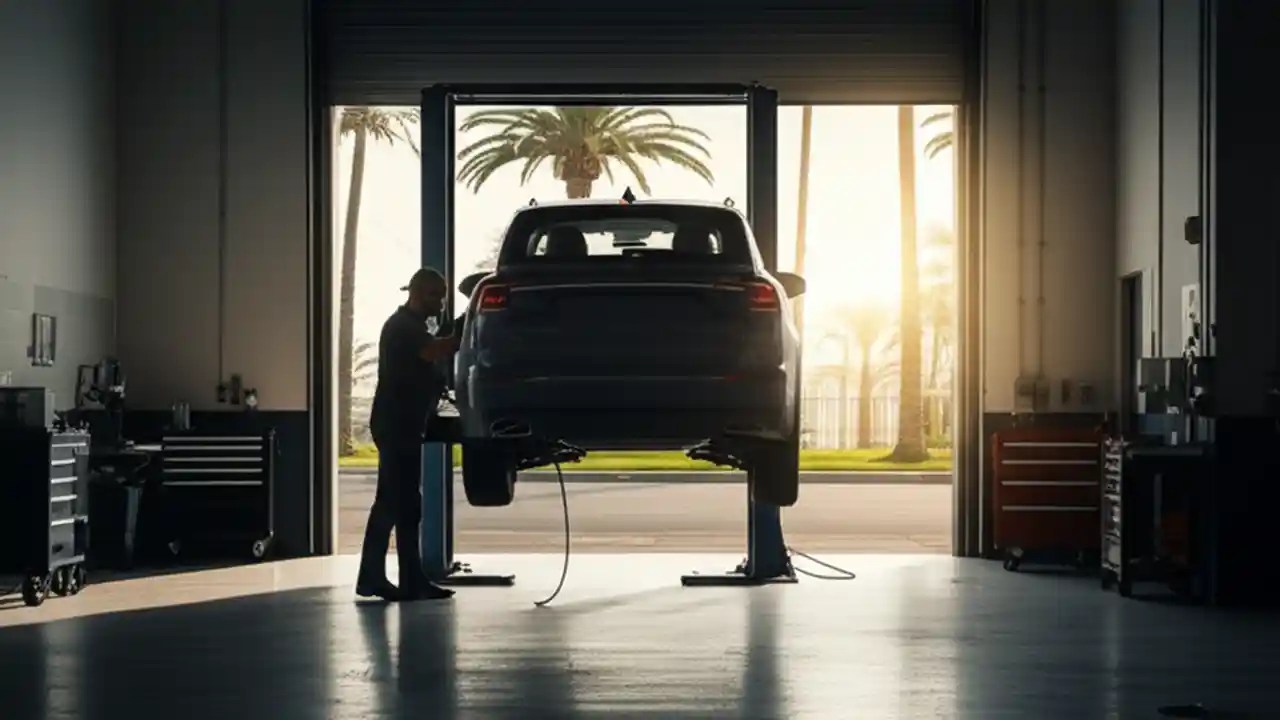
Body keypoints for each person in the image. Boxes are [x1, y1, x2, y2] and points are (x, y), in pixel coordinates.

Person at [357, 267, 462, 601]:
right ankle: (399, 579)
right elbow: (433, 351)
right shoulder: (403, 327)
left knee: (395, 502)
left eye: (443, 295)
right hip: (397, 424)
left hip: (400, 423)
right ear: (416, 294)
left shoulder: (410, 326)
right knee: (400, 503)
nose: (441, 302)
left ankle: (381, 577)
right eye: (436, 295)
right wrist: (466, 333)